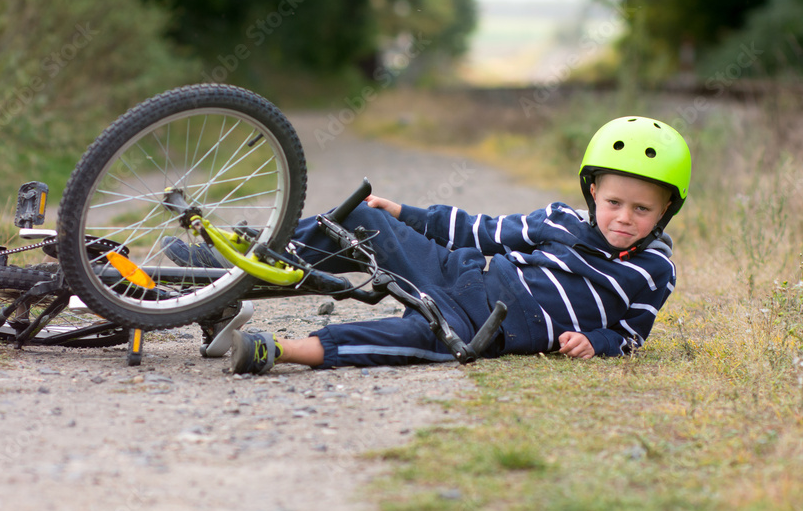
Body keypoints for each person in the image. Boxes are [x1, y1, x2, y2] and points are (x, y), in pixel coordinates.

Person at [167, 116, 692, 375]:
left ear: (666, 210)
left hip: (486, 326)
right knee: (359, 218)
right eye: (614, 202)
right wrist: (407, 215)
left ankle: (278, 350)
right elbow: (482, 230)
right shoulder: (558, 219)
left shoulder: (653, 271)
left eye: (642, 210)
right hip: (460, 272)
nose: (624, 218)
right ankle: (231, 266)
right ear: (593, 190)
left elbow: (630, 333)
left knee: (414, 340)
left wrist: (594, 343)